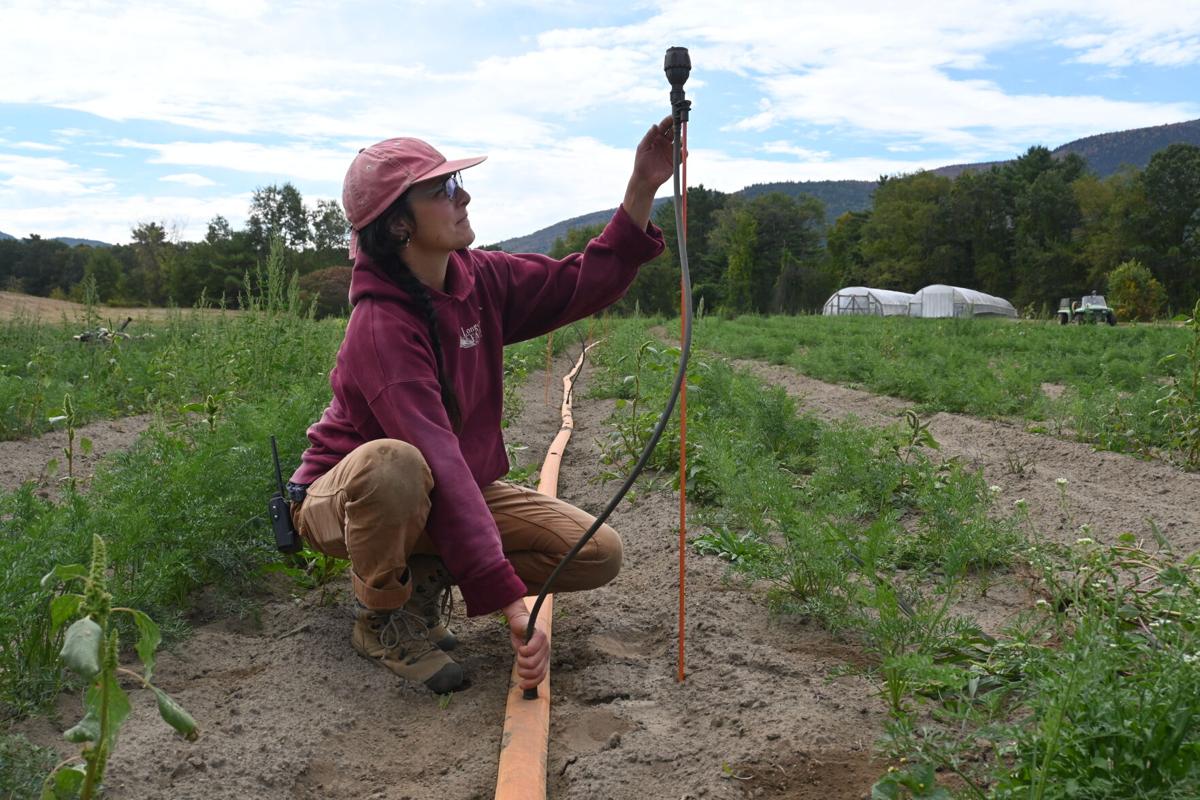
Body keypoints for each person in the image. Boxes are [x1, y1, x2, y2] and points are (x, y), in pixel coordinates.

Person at [287, 117, 676, 693]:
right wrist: (513, 608)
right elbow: (438, 458)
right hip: (345, 498)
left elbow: (579, 283)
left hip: (438, 488)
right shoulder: (381, 327)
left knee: (596, 553)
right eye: (441, 189)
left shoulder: (479, 279)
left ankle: (424, 576)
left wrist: (642, 187)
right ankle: (383, 615)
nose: (462, 195)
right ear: (398, 224)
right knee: (394, 463)